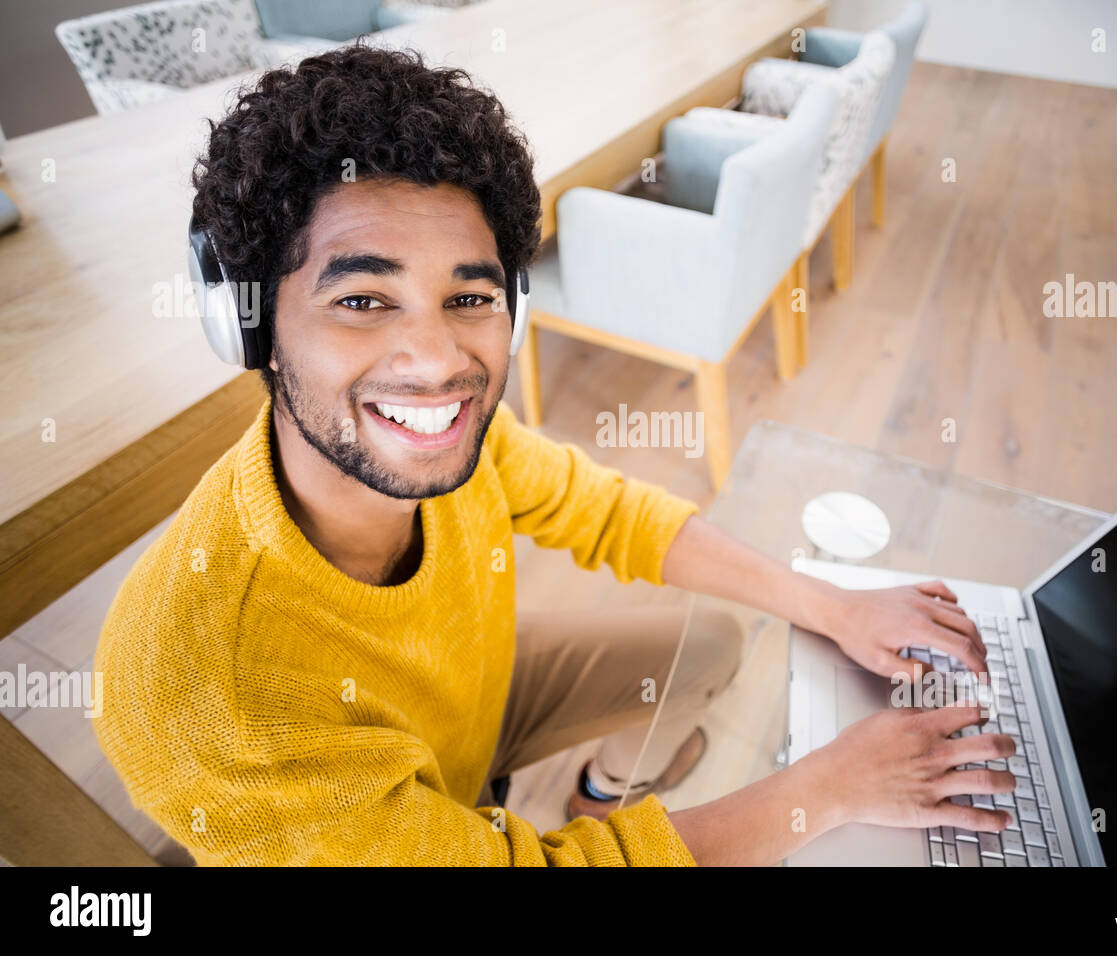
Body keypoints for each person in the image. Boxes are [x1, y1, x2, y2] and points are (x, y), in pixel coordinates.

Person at [94, 43, 1013, 866]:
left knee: (711, 648)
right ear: (245, 322)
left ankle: (599, 796)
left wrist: (834, 604)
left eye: (469, 297)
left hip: (469, 709)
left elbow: (605, 510)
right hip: (356, 814)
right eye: (363, 300)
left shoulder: (453, 437)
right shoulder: (215, 700)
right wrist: (827, 788)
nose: (440, 364)